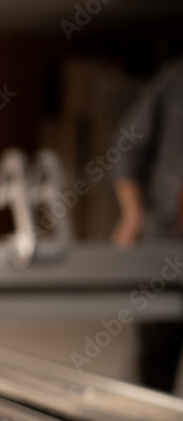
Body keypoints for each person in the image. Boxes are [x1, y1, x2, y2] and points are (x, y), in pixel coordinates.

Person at [110, 56, 183, 393]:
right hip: (164, 242)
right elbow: (128, 150)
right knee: (151, 365)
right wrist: (133, 214)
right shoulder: (174, 81)